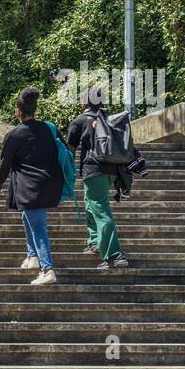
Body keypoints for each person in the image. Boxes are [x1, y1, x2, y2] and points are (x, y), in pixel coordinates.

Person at [0, 87, 64, 286]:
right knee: (28, 217)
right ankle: (32, 257)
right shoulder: (49, 129)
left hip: (31, 188)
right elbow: (65, 150)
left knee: (38, 226)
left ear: (18, 111)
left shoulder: (14, 134)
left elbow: (5, 164)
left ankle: (47, 269)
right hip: (51, 183)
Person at [67, 86, 131, 269]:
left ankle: (115, 254)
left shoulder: (80, 121)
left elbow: (70, 149)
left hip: (94, 171)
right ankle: (94, 241)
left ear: (85, 101)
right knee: (90, 203)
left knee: (100, 210)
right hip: (113, 169)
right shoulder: (108, 119)